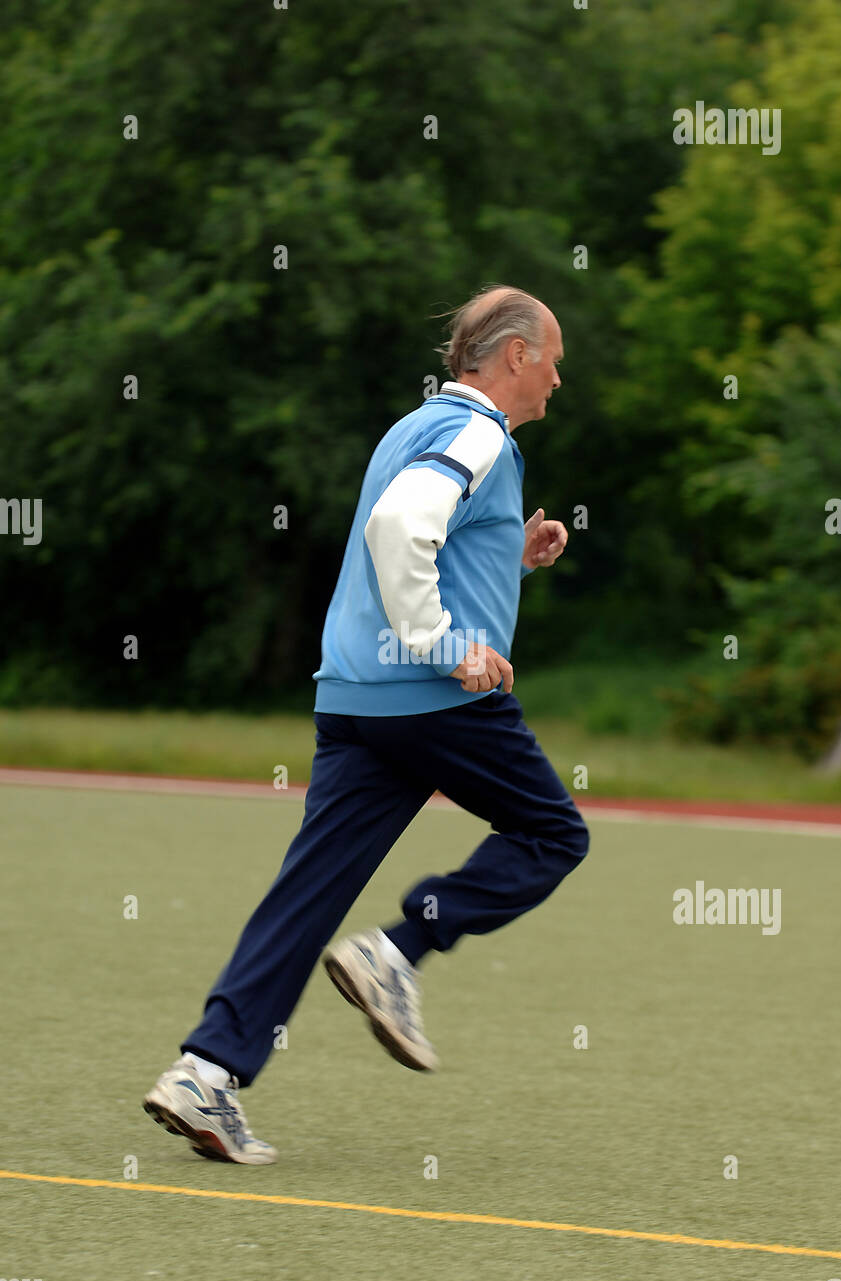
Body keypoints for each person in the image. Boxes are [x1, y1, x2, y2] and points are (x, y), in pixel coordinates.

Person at [143, 284, 589, 1164]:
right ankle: (400, 949)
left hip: (354, 699)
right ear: (511, 356)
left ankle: (205, 1074)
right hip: (434, 699)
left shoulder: (407, 429)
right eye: (553, 362)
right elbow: (399, 528)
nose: (556, 382)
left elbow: (420, 539)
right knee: (551, 833)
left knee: (306, 893)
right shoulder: (476, 432)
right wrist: (443, 645)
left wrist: (511, 555)